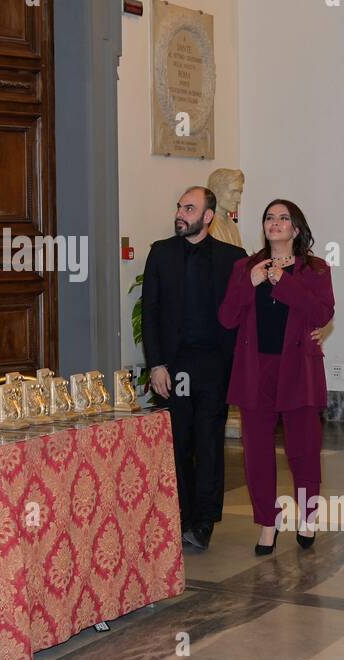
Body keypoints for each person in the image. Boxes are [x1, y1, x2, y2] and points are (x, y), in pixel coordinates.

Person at [218, 199, 333, 555]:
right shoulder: (245, 267)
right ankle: (268, 523)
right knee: (257, 452)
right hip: (257, 370)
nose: (275, 223)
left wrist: (283, 283)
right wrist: (248, 284)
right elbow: (226, 318)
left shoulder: (315, 269)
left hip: (298, 369)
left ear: (296, 229)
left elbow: (321, 312)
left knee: (304, 448)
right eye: (270, 217)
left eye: (283, 218)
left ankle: (308, 517)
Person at [142, 187, 246, 550]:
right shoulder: (160, 254)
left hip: (215, 365)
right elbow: (150, 314)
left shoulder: (234, 259)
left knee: (210, 442)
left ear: (207, 217)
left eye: (189, 208)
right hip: (177, 365)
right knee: (179, 442)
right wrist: (156, 364)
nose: (180, 214)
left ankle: (204, 521)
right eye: (179, 207)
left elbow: (244, 316)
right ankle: (181, 515)